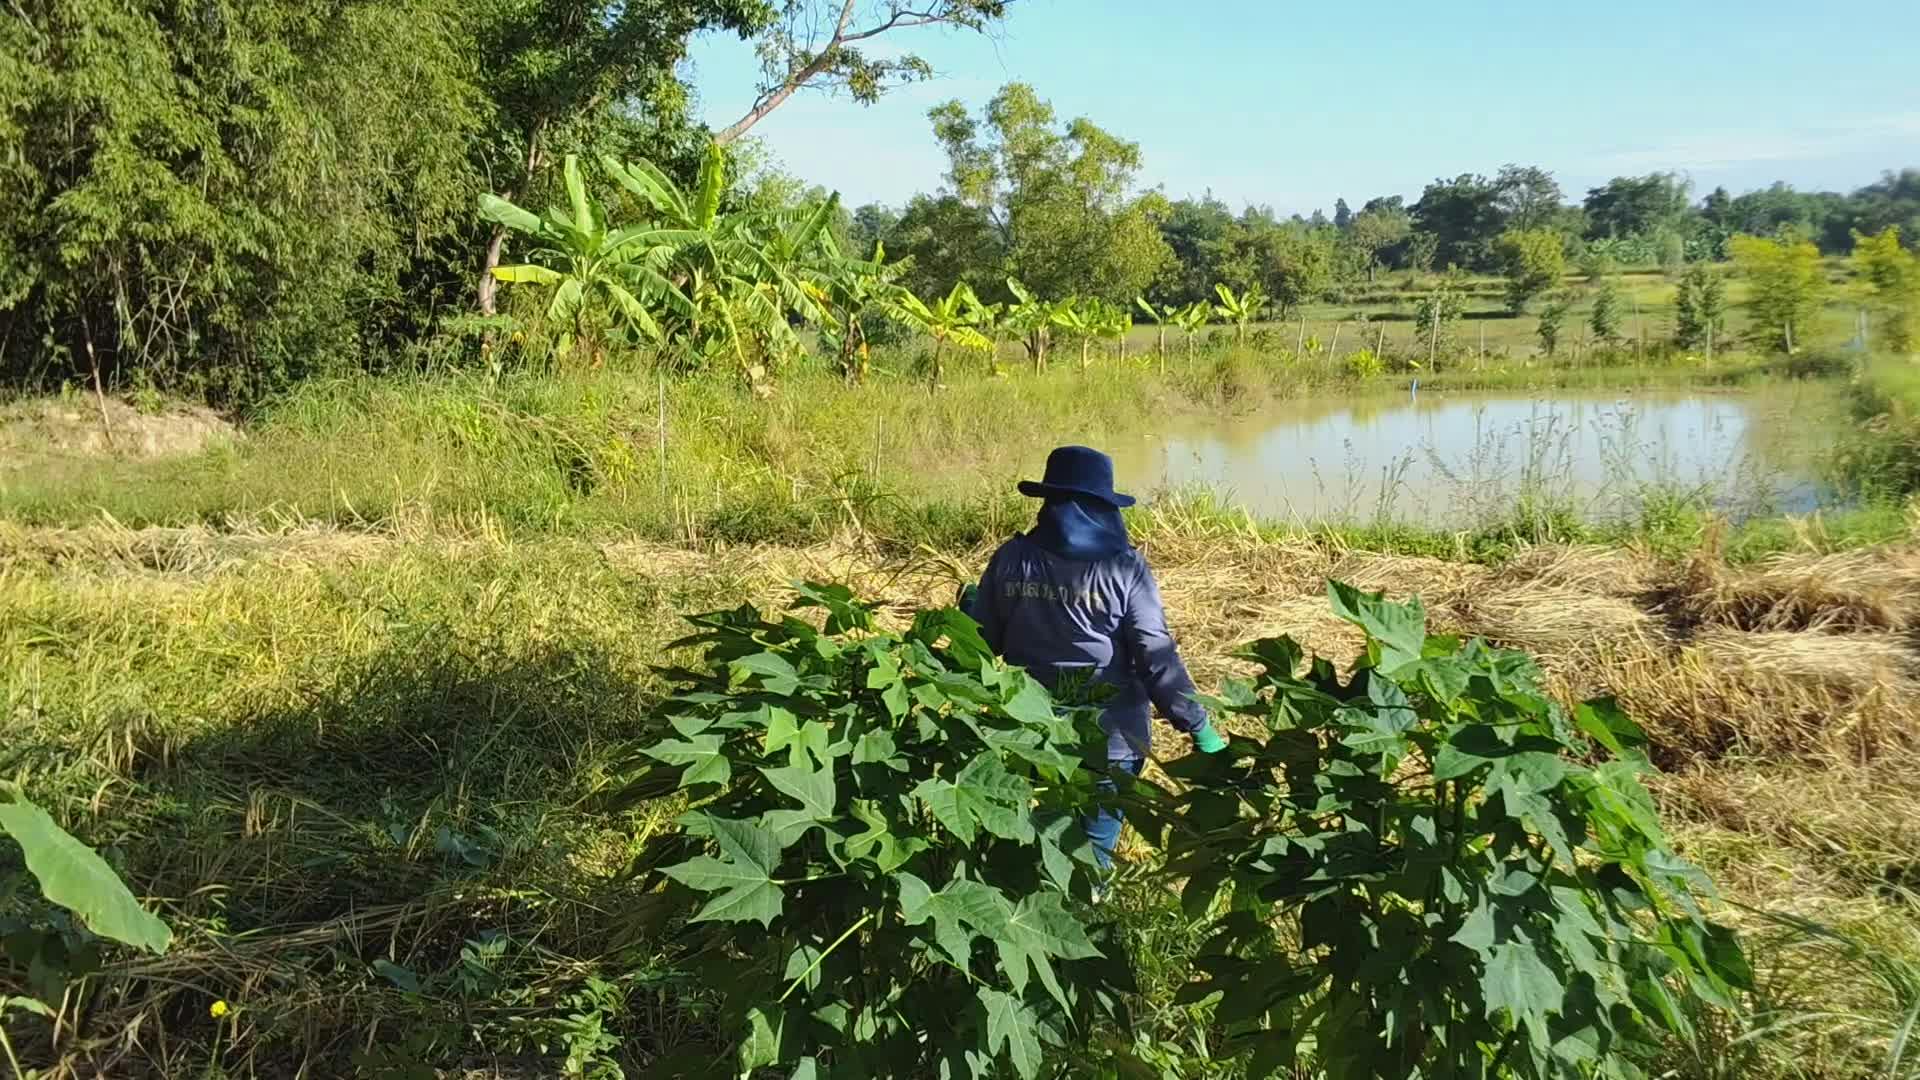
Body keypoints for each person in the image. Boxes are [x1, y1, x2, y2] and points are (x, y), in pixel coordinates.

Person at [962, 445, 1225, 888]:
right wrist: (1198, 727)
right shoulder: (1125, 569)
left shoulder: (1011, 559)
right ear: (1103, 507)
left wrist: (973, 606)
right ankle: (1085, 919)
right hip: (1112, 741)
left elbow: (980, 642)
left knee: (1044, 840)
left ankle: (1039, 921)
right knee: (1092, 852)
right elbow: (1153, 652)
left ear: (1049, 501)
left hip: (1032, 736)